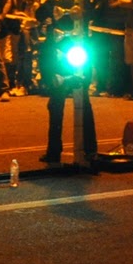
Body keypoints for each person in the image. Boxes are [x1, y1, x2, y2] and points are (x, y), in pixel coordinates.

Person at [40, 12, 97, 164]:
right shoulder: (53, 2)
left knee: (83, 106)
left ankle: (90, 150)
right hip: (59, 58)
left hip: (76, 53)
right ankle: (54, 151)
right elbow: (46, 50)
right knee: (56, 106)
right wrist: (49, 76)